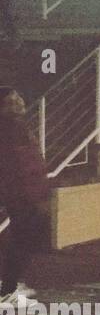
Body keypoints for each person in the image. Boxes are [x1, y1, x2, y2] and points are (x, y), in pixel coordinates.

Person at [0, 87, 51, 300]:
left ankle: (9, 285)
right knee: (27, 236)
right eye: (10, 102)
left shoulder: (16, 126)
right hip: (22, 193)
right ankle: (8, 288)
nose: (18, 103)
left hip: (23, 191)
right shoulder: (11, 128)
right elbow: (18, 165)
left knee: (25, 236)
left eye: (18, 98)